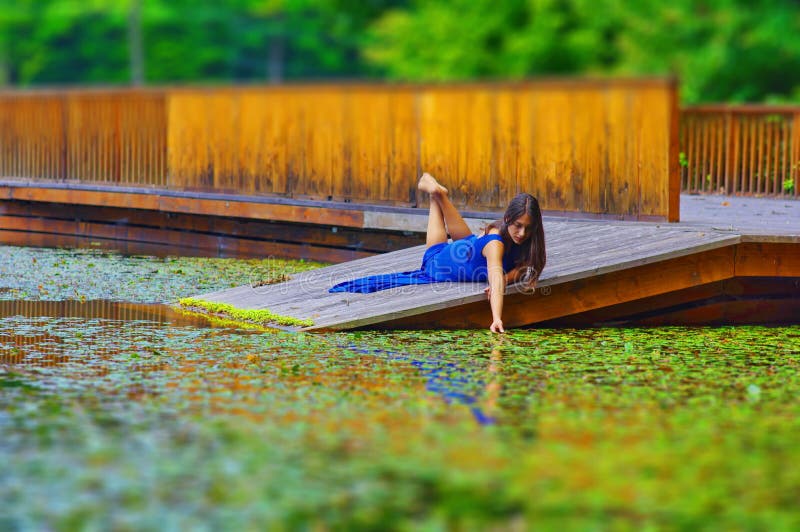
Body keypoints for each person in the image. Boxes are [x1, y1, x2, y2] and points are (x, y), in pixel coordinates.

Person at [329, 173, 546, 332]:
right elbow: (496, 278)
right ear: (507, 219)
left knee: (468, 242)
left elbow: (521, 269)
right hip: (440, 262)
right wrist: (497, 318)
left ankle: (440, 195)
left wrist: (510, 278)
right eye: (518, 225)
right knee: (435, 250)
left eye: (528, 228)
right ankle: (434, 195)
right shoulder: (496, 243)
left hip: (467, 249)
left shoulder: (523, 238)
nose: (522, 233)